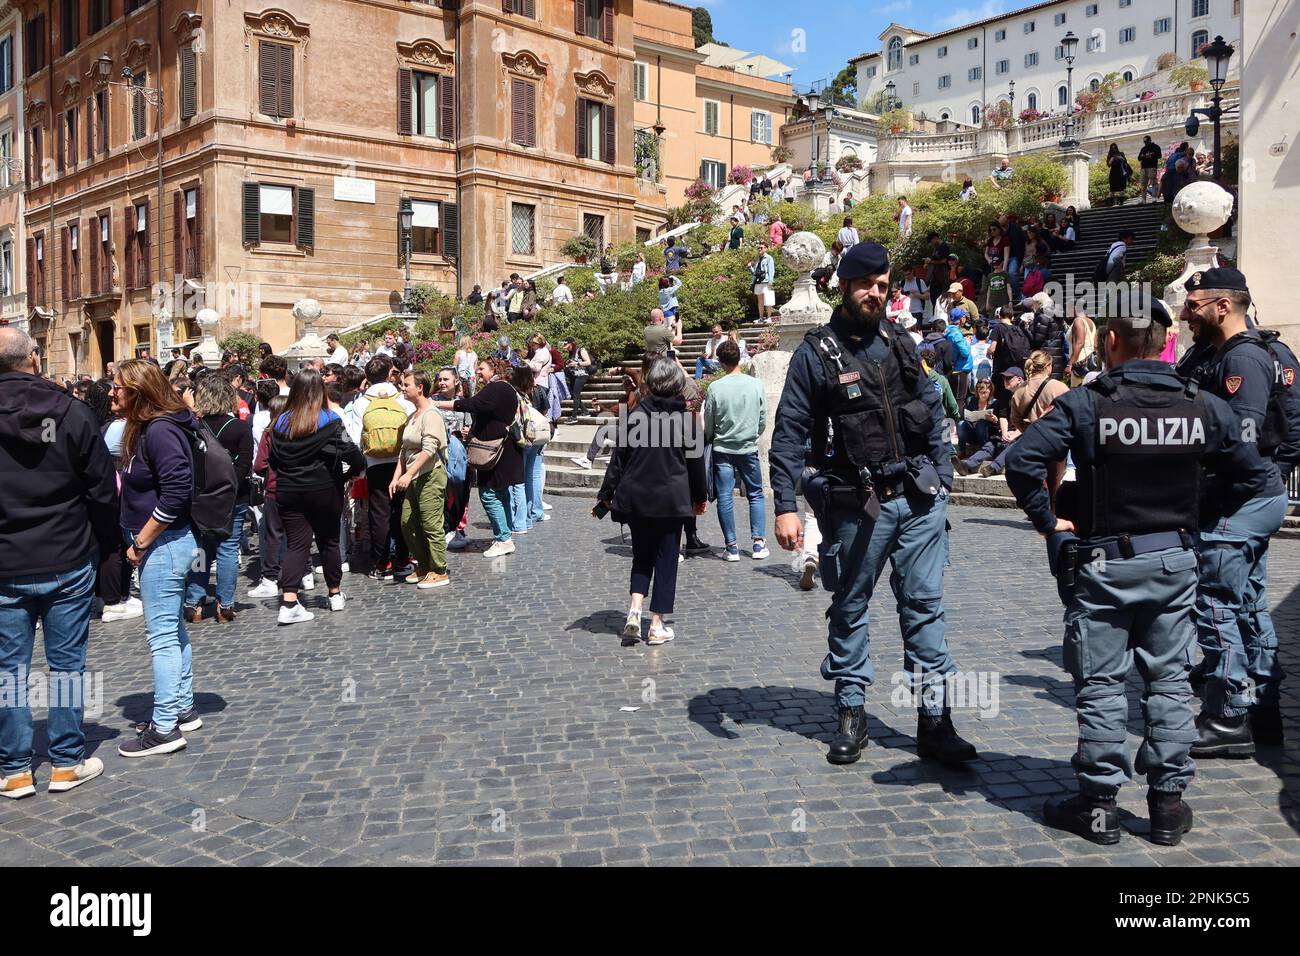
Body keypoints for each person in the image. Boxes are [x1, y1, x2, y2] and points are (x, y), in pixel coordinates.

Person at [1004, 294, 1274, 847]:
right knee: (1170, 681)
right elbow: (1251, 473)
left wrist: (1049, 522)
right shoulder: (1201, 402)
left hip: (1105, 563)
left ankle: (1100, 805)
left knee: (1103, 684)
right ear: (1163, 342)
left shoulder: (1089, 402)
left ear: (1110, 341)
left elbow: (1020, 459)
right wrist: (1198, 512)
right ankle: (1168, 805)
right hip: (1175, 561)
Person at [769, 241, 976, 768]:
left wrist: (944, 475)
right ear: (843, 286)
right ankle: (851, 714)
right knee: (851, 608)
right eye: (867, 285)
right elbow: (790, 432)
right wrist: (785, 505)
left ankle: (935, 722)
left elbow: (930, 405)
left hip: (918, 501)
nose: (876, 294)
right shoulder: (816, 354)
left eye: (884, 286)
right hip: (857, 506)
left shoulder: (900, 341)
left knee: (925, 609)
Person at [0, 328, 118, 796]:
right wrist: (110, 547)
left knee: (9, 670)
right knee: (67, 664)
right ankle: (66, 762)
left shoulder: (73, 409)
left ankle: (14, 768)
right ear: (33, 358)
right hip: (67, 555)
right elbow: (102, 490)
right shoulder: (72, 410)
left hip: (7, 562)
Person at [1178, 269, 1291, 754]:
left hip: (1237, 500)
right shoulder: (1240, 353)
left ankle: (1227, 714)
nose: (1187, 314)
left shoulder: (1242, 356)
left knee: (1215, 603)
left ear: (1223, 306)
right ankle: (1264, 707)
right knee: (1247, 603)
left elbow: (1240, 437)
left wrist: (1218, 482)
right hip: (1254, 494)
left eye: (1195, 304)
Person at [113, 359, 206, 757]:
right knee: (174, 632)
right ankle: (183, 708)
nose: (112, 392)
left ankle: (165, 726)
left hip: (164, 546)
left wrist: (141, 544)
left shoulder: (162, 430)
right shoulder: (146, 429)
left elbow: (175, 492)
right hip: (164, 545)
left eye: (118, 386)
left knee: (163, 638)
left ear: (138, 391)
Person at [596, 356, 707, 646]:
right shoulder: (686, 421)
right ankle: (656, 625)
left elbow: (618, 463)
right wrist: (700, 497)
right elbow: (696, 465)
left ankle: (634, 610)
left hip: (637, 499)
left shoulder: (633, 417)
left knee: (641, 556)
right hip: (671, 501)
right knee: (666, 559)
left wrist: (605, 496)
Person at [268, 369, 365, 624]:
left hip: (289, 490)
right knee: (329, 541)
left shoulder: (280, 422)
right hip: (323, 489)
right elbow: (350, 451)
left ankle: (289, 600)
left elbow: (274, 460)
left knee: (297, 544)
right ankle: (334, 594)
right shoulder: (329, 420)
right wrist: (354, 471)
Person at [182, 375, 253, 625]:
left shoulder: (192, 426)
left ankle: (195, 603)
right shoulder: (239, 427)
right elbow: (245, 464)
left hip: (200, 496)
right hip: (232, 496)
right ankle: (225, 605)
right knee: (227, 548)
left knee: (200, 549)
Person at [437, 358, 524, 558]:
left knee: (489, 494)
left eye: (481, 368)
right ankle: (505, 535)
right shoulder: (506, 388)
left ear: (494, 370)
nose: (478, 371)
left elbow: (471, 404)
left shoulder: (496, 388)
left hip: (494, 451)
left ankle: (503, 538)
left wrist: (439, 404)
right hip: (503, 449)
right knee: (501, 493)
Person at [703, 340, 768, 561]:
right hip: (748, 447)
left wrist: (711, 436)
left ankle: (731, 547)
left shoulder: (715, 387)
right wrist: (752, 434)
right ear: (739, 358)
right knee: (756, 494)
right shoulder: (756, 384)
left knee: (724, 496)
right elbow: (763, 419)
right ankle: (758, 543)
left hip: (723, 447)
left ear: (720, 362)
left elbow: (709, 421)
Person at [353, 355, 416, 582]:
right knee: (401, 511)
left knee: (379, 514)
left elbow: (353, 437)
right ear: (390, 373)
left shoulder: (361, 403)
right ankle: (403, 559)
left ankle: (382, 563)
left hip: (374, 463)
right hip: (402, 463)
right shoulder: (403, 400)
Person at [393, 369, 450, 589]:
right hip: (414, 476)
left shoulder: (431, 414)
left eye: (406, 384)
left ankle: (439, 570)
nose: (402, 387)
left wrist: (409, 473)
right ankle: (425, 565)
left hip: (430, 475)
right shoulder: (413, 415)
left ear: (420, 388)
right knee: (408, 521)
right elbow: (404, 450)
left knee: (430, 523)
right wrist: (397, 475)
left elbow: (429, 448)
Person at [563, 337, 594, 422]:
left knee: (576, 394)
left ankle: (574, 417)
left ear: (571, 343)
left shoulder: (581, 350)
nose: (565, 347)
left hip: (582, 375)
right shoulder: (571, 352)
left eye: (566, 344)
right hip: (574, 376)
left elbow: (588, 362)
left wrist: (576, 363)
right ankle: (585, 411)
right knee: (574, 394)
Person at [1068, 310, 1099, 386]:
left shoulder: (1078, 321)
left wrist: (1070, 364)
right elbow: (1095, 345)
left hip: (1079, 361)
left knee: (1077, 391)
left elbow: (1079, 343)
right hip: (1090, 361)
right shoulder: (1091, 322)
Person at [750, 241, 776, 324]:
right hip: (758, 281)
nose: (759, 249)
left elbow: (771, 270)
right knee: (760, 301)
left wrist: (770, 281)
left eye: (761, 248)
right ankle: (761, 317)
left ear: (766, 249)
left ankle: (769, 317)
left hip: (766, 281)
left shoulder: (769, 258)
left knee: (768, 299)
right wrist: (750, 267)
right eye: (759, 248)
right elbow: (756, 272)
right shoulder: (758, 259)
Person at [1138, 136, 1162, 203]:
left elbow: (1159, 155)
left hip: (1152, 166)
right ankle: (1143, 199)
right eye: (1144, 142)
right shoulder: (1143, 149)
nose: (1145, 143)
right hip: (1143, 168)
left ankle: (1154, 197)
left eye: (1147, 141)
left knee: (1153, 182)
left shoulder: (1156, 147)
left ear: (1150, 140)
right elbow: (1139, 158)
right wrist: (1143, 156)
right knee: (1143, 183)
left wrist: (1151, 155)